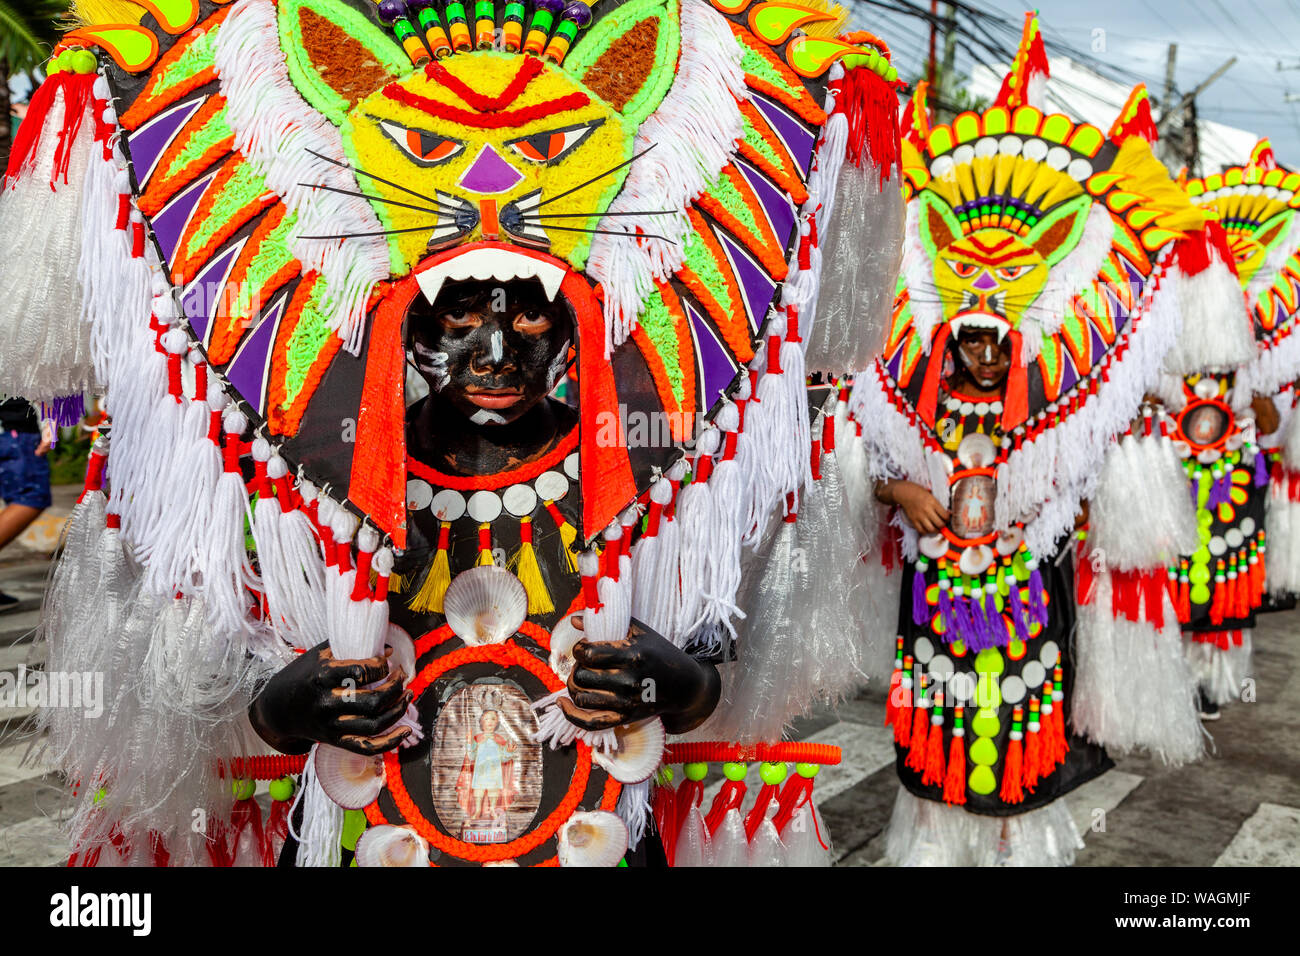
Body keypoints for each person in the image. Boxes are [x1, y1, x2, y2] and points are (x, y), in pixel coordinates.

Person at [0, 397, 52, 609]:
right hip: (18, 436)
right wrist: (50, 423)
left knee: (19, 500)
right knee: (30, 499)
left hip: (11, 436)